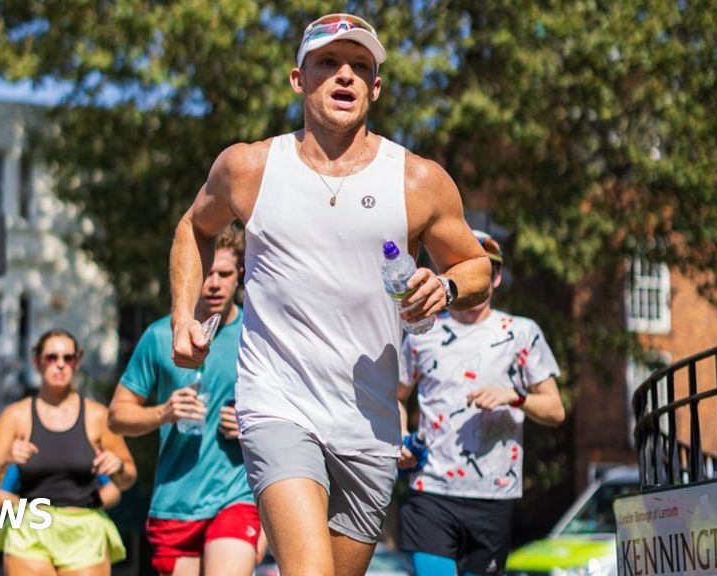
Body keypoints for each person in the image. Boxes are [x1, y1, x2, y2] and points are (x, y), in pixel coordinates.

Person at [169, 13, 492, 576]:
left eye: (360, 66)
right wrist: (183, 317)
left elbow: (476, 266)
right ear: (299, 79)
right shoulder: (249, 167)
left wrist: (443, 285)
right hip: (278, 404)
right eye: (328, 63)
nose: (344, 76)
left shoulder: (417, 180)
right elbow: (193, 227)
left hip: (369, 423)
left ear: (375, 87)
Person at [397, 230, 566, 576]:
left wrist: (514, 397)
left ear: (497, 277)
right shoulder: (422, 332)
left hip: (493, 496)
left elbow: (555, 410)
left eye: (487, 268)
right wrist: (399, 438)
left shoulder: (521, 332)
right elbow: (395, 399)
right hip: (431, 490)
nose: (476, 275)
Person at [109, 225, 265, 576]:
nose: (213, 284)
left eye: (224, 274)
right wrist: (162, 413)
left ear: (239, 275)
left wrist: (251, 425)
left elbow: (295, 408)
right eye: (206, 274)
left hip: (234, 497)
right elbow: (117, 417)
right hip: (175, 503)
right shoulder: (160, 335)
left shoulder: (258, 334)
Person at [0, 329, 136, 576]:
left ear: (77, 363)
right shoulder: (16, 416)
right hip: (31, 528)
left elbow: (126, 480)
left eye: (68, 358)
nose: (60, 365)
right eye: (52, 358)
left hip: (83, 530)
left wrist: (119, 468)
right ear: (37, 363)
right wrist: (4, 459)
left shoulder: (97, 416)